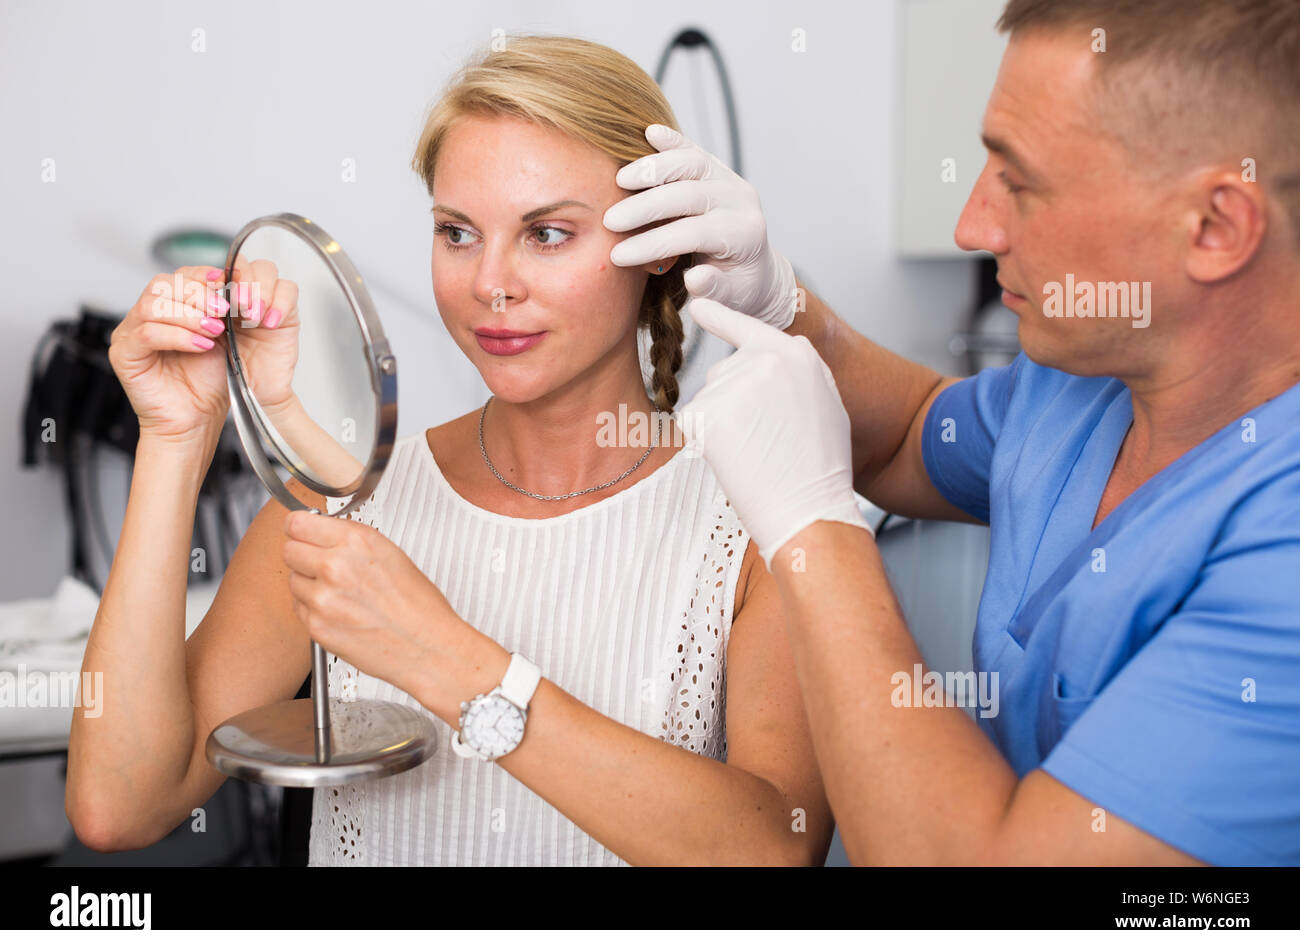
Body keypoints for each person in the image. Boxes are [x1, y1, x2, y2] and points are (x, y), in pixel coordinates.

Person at [65, 35, 834, 866]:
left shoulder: (757, 517)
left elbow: (777, 845)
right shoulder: (342, 507)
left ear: (657, 249)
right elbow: (119, 806)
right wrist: (174, 442)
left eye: (546, 233)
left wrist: (449, 660)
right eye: (458, 233)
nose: (489, 284)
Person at [606, 0, 1300, 865]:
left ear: (1215, 227)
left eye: (1021, 183)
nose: (973, 228)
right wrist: (784, 306)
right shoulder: (1079, 382)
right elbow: (905, 440)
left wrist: (812, 529)